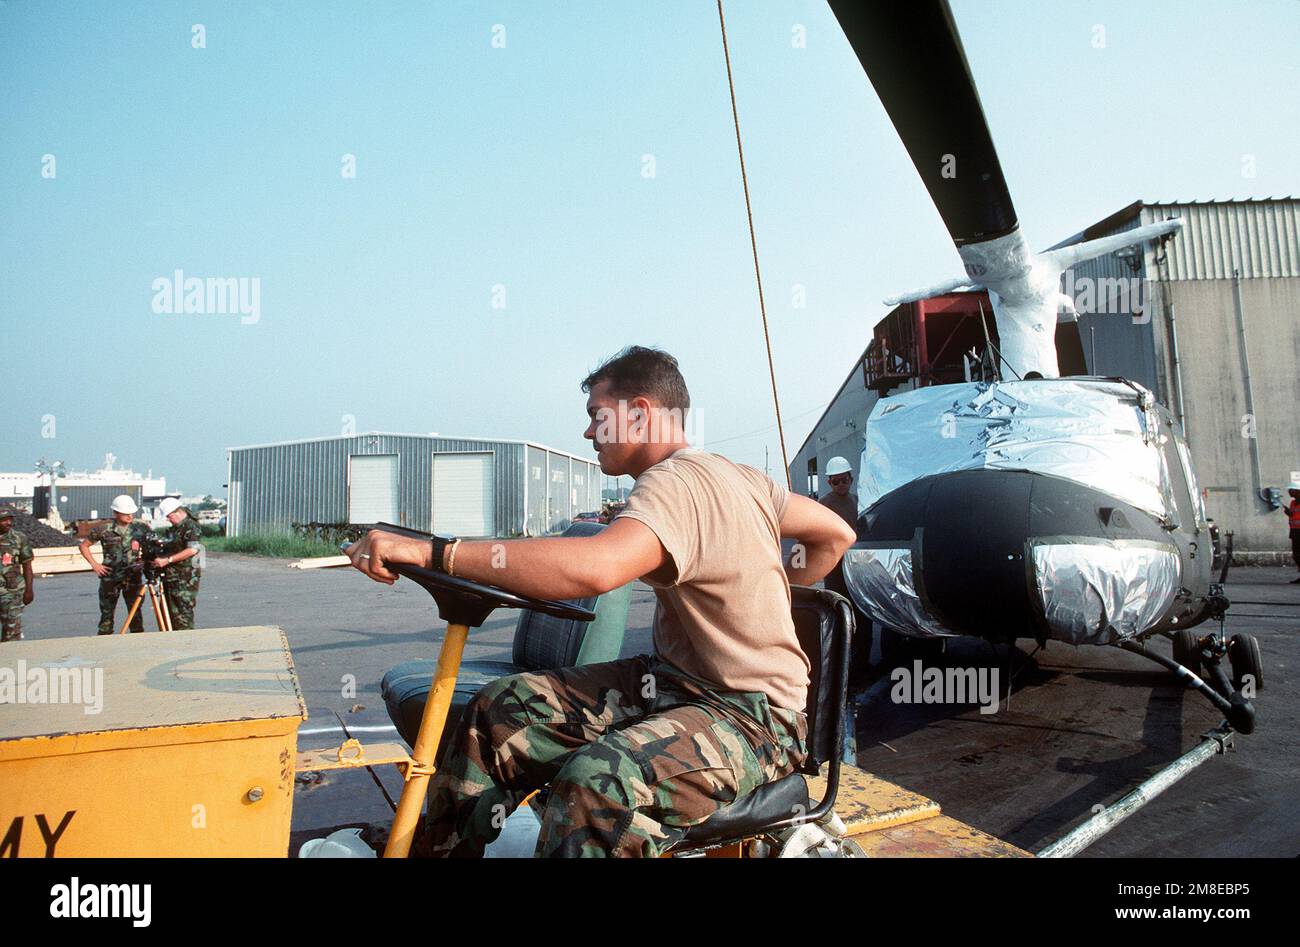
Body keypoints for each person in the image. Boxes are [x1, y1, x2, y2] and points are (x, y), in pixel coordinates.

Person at [346, 345, 855, 857]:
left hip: (754, 719)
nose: (589, 433)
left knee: (598, 785)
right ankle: (437, 849)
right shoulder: (742, 477)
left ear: (638, 413)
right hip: (675, 683)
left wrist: (435, 553)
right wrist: (764, 589)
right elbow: (834, 535)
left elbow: (595, 568)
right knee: (500, 711)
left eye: (596, 416)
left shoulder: (674, 482)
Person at [817, 456, 872, 684]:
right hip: (836, 570)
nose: (841, 484)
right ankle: (840, 671)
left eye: (844, 480)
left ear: (851, 478)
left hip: (857, 569)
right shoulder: (824, 505)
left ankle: (862, 667)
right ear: (829, 482)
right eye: (836, 481)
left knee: (864, 618)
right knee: (841, 616)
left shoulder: (857, 502)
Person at [80, 495, 155, 634]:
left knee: (135, 614)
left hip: (133, 577)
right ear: (116, 513)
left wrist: (145, 564)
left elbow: (152, 549)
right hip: (110, 577)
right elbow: (84, 546)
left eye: (131, 513)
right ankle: (105, 645)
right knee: (107, 615)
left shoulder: (141, 528)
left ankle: (138, 645)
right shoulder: (103, 529)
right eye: (125, 513)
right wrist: (95, 565)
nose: (129, 516)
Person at [153, 497, 203, 629]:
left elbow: (192, 549)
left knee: (182, 614)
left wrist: (167, 560)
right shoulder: (175, 528)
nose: (168, 520)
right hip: (173, 576)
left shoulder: (191, 526)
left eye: (169, 516)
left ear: (178, 512)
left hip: (185, 578)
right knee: (171, 612)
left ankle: (185, 642)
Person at [0, 505, 35, 642]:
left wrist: (29, 590)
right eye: (4, 520)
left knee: (12, 632)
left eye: (10, 519)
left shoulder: (19, 538)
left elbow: (27, 565)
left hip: (12, 591)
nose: (8, 523)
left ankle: (12, 661)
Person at [1284, 481, 1300, 584]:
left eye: (1291, 490)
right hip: (1294, 531)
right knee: (1297, 555)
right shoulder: (1293, 503)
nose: (1289, 492)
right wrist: (1289, 513)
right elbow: (1294, 515)